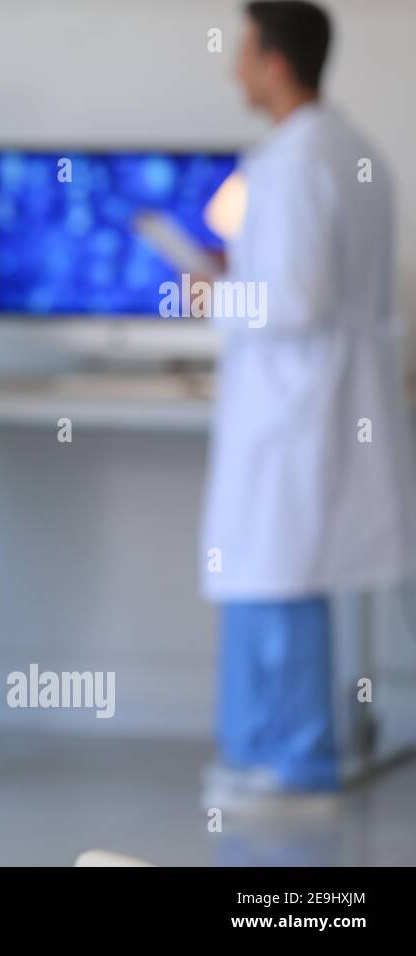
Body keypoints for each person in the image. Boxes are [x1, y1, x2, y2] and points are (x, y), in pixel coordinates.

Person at [199, 1, 416, 811]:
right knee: (282, 569)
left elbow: (294, 298)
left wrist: (210, 295)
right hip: (317, 401)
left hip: (293, 407)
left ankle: (290, 762)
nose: (234, 69)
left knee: (277, 573)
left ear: (275, 61)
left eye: (242, 52)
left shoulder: (292, 162)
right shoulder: (351, 150)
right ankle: (279, 751)